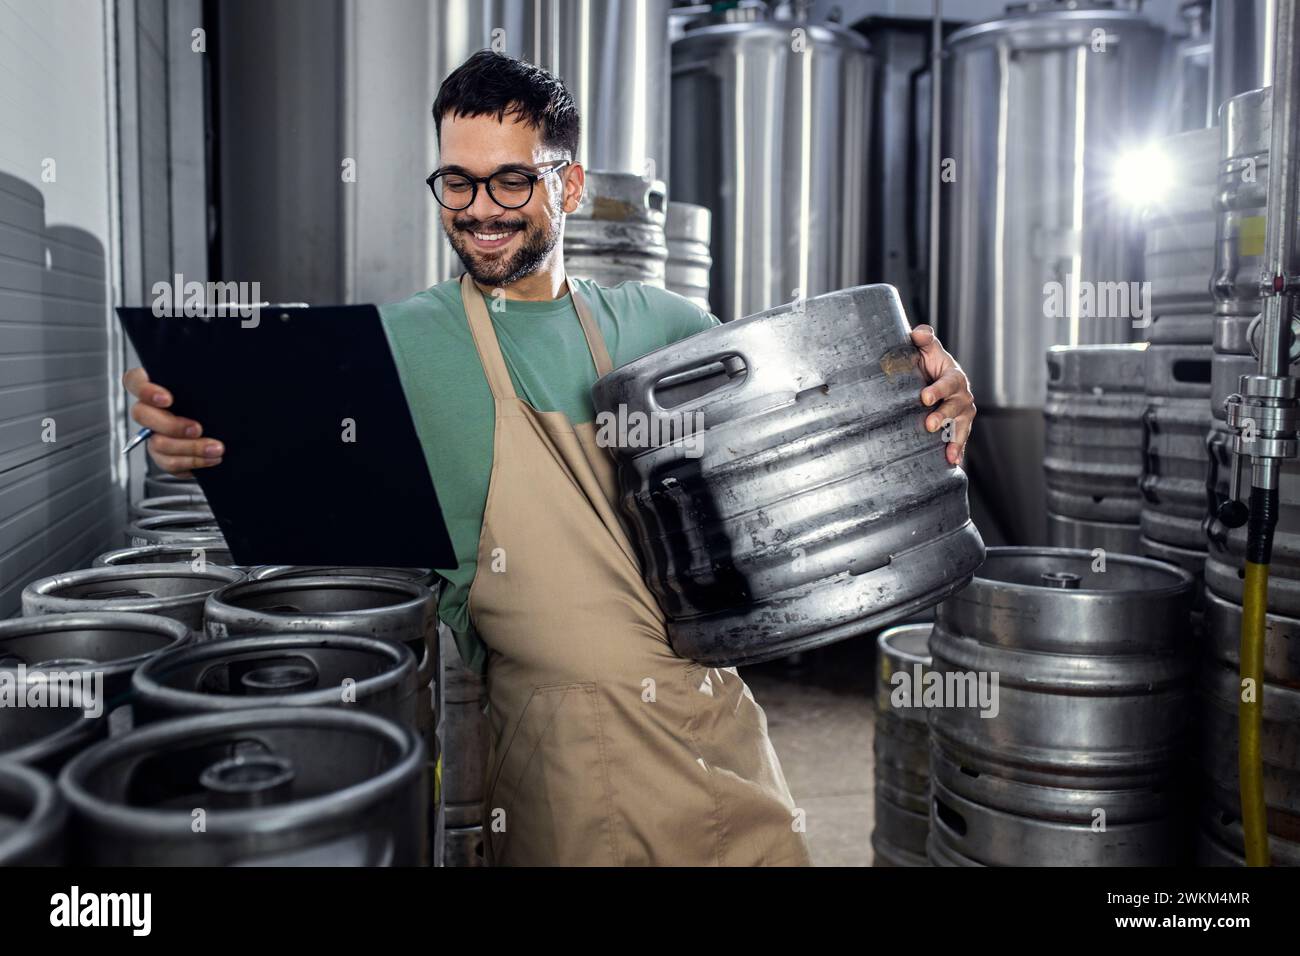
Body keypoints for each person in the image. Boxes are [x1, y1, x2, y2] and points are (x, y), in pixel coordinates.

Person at [122, 51, 976, 866]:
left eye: (510, 179)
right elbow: (258, 445)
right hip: (558, 762)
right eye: (456, 180)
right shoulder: (397, 346)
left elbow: (813, 422)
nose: (479, 207)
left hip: (712, 730)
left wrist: (929, 392)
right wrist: (189, 443)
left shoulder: (662, 325)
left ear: (567, 183)